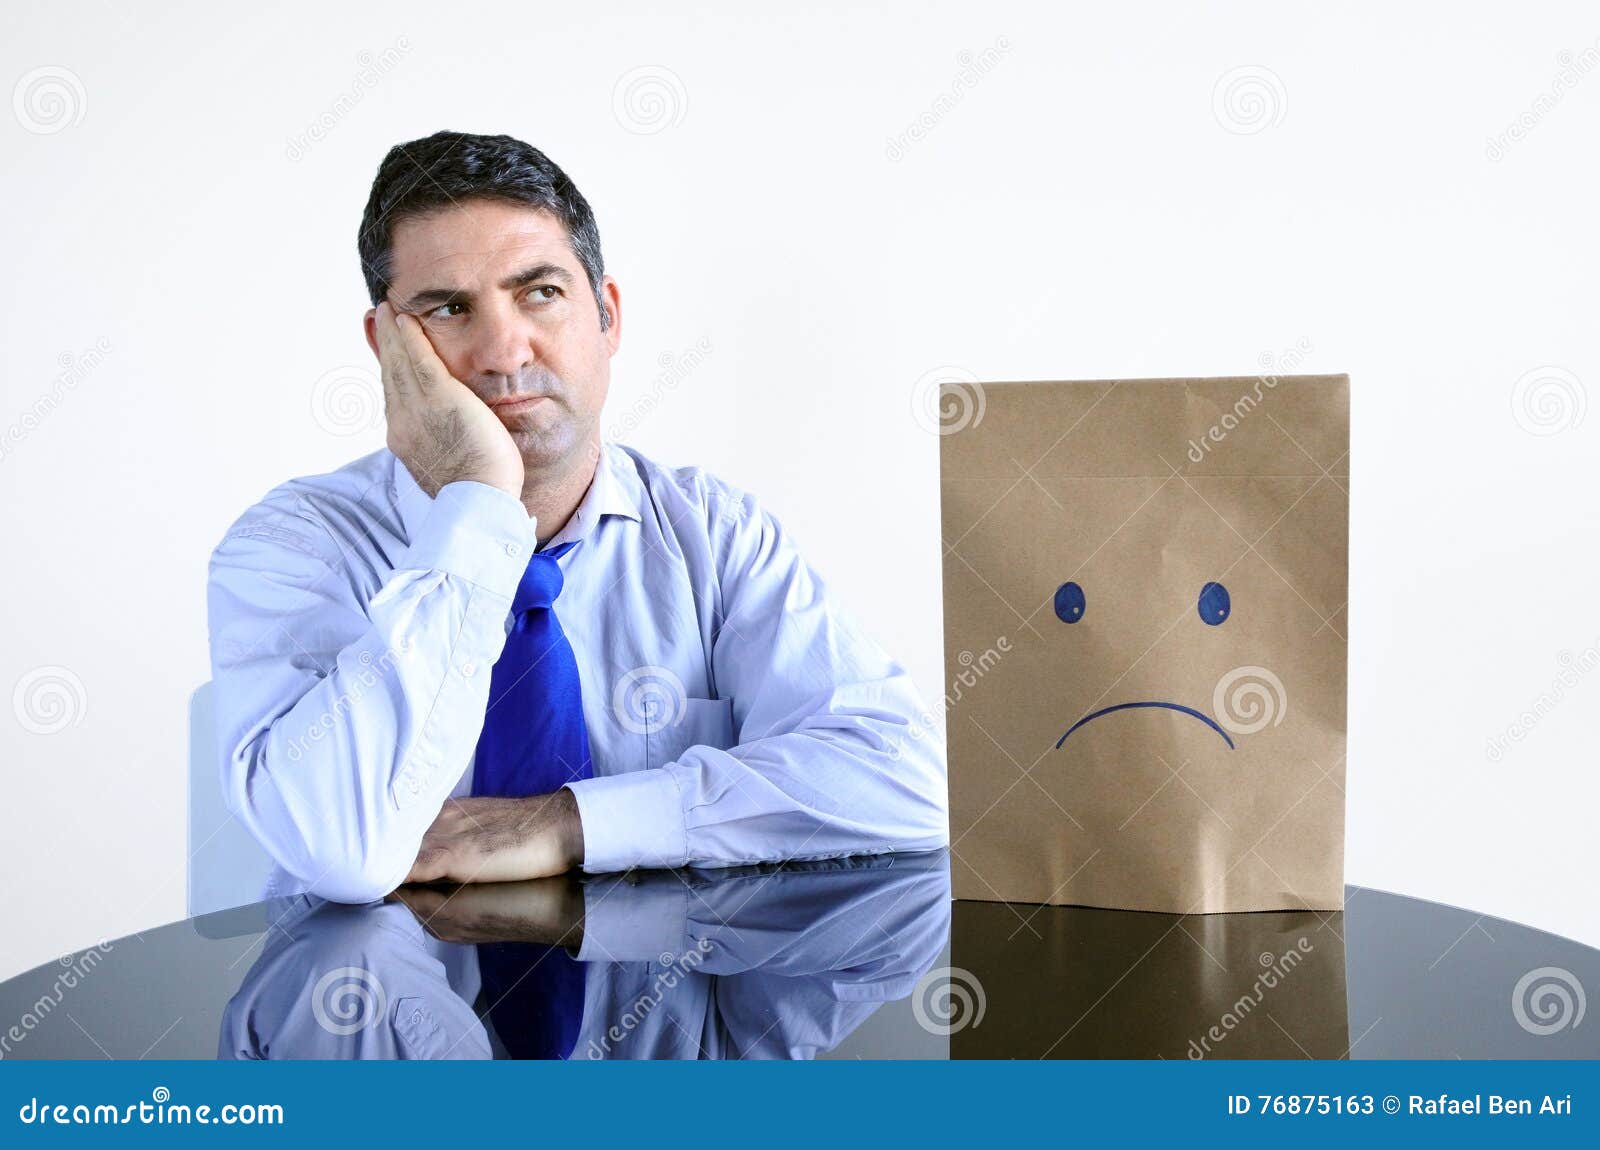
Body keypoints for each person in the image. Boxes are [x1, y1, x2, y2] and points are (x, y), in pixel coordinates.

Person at [205, 130, 947, 904]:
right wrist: (478, 504)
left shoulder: (714, 535)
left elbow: (904, 783)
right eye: (450, 309)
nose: (503, 350)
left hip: (657, 1004)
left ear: (607, 314)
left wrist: (567, 824)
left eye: (541, 293)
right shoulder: (290, 548)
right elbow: (345, 854)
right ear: (387, 348)